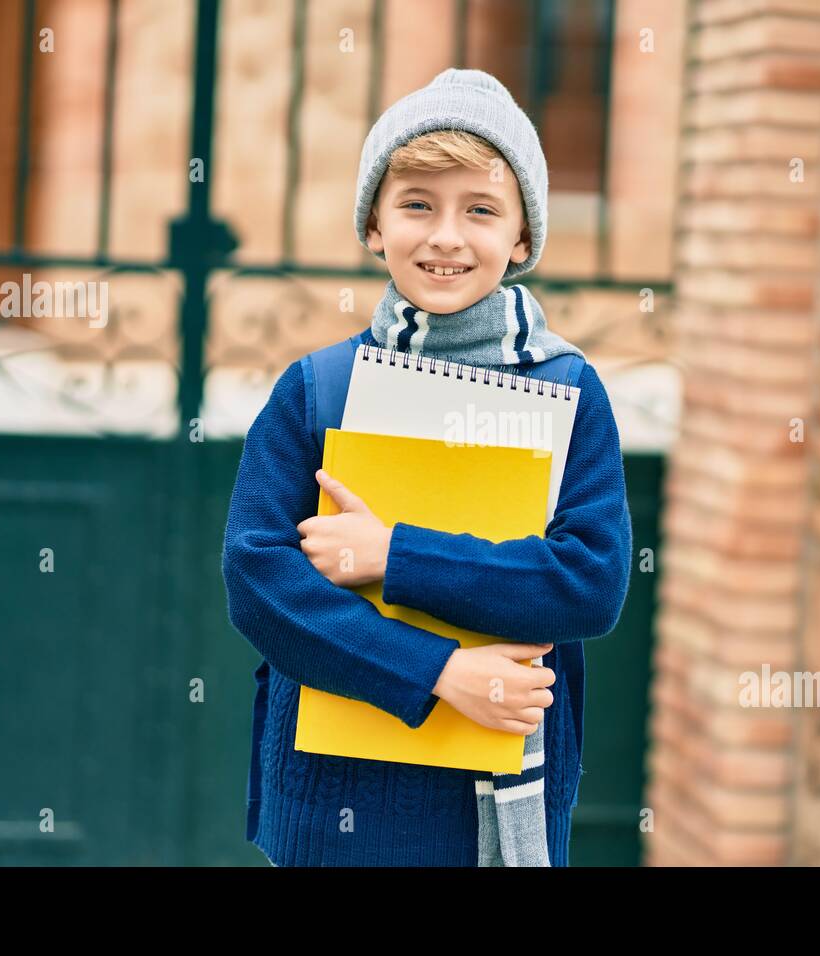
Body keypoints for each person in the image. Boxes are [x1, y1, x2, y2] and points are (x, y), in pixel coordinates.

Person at [221, 68, 632, 866]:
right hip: (331, 799)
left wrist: (392, 555)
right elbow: (258, 580)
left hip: (492, 800)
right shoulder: (318, 391)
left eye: (480, 210)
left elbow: (591, 580)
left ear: (520, 238)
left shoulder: (569, 392)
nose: (446, 236)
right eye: (417, 204)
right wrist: (440, 671)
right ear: (374, 224)